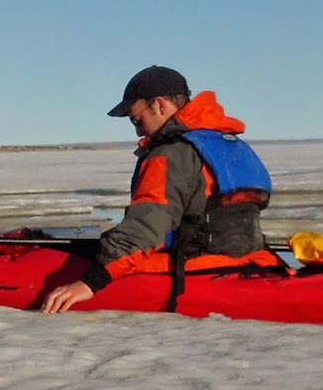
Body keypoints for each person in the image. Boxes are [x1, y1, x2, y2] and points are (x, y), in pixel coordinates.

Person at [41, 65, 281, 313]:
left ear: (159, 105)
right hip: (249, 260)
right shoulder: (231, 144)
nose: (137, 130)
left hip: (193, 269)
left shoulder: (169, 154)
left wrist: (89, 283)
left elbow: (145, 230)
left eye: (137, 119)